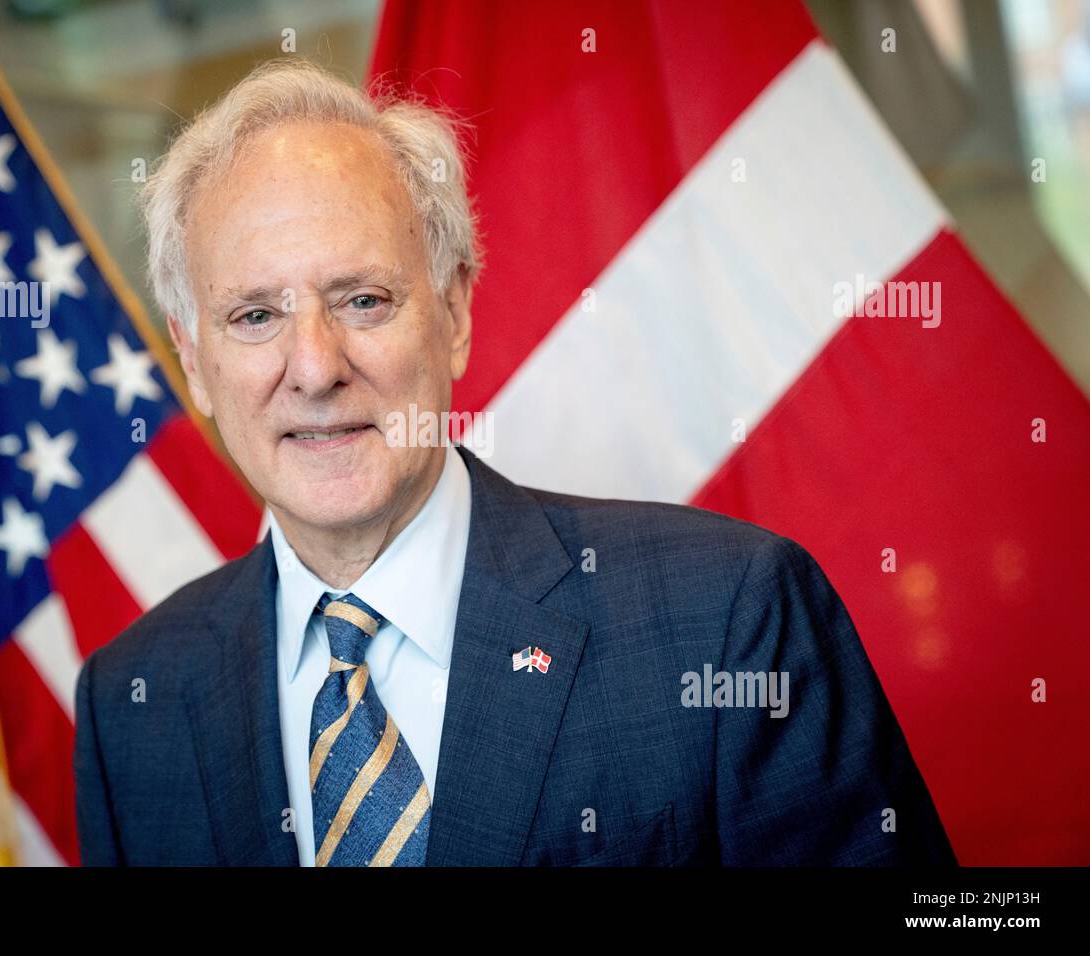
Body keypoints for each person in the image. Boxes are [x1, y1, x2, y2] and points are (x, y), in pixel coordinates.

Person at [73, 58, 956, 867]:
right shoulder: (132, 708)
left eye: (364, 299)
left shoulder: (728, 615)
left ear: (454, 312)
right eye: (255, 316)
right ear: (192, 359)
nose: (314, 367)